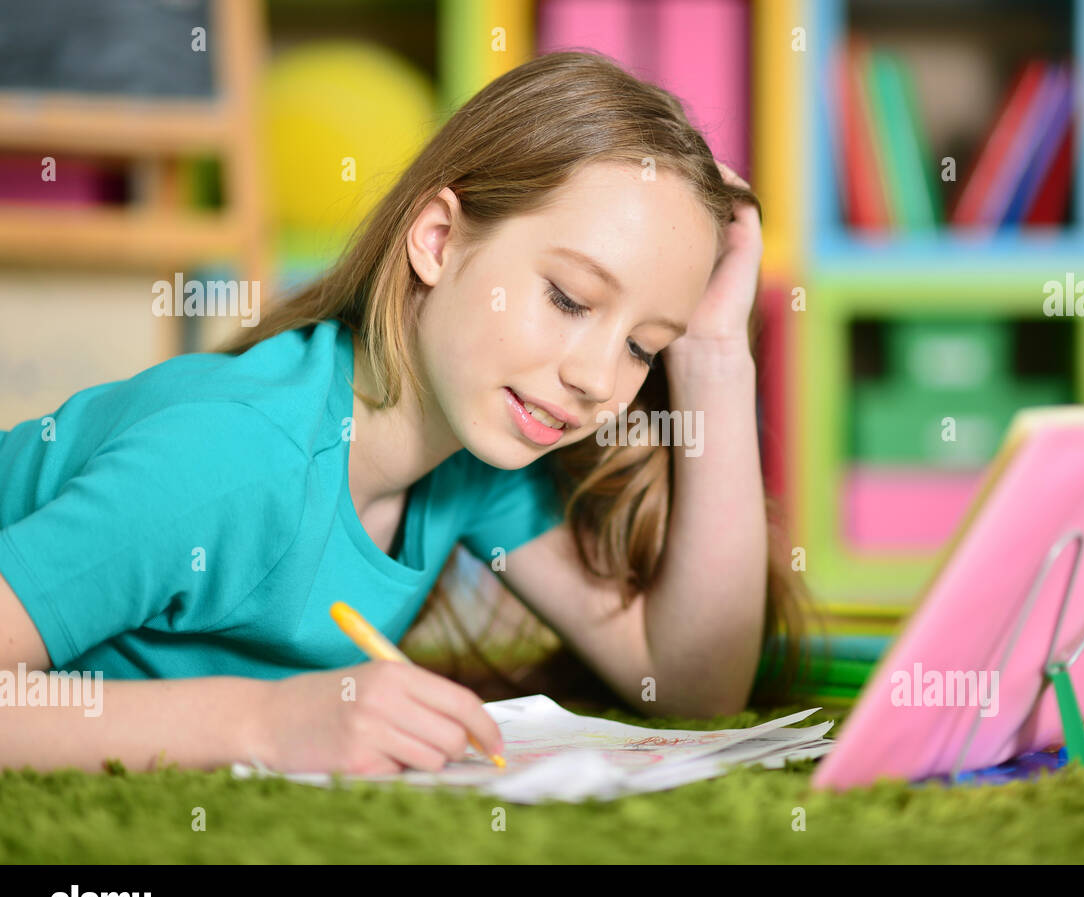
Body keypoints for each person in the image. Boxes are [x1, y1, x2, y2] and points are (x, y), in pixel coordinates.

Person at [0, 51, 814, 776]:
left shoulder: (471, 450)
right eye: (568, 298)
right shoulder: (233, 461)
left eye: (643, 346)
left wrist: (711, 351)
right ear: (437, 239)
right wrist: (264, 721)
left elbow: (691, 685)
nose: (598, 378)